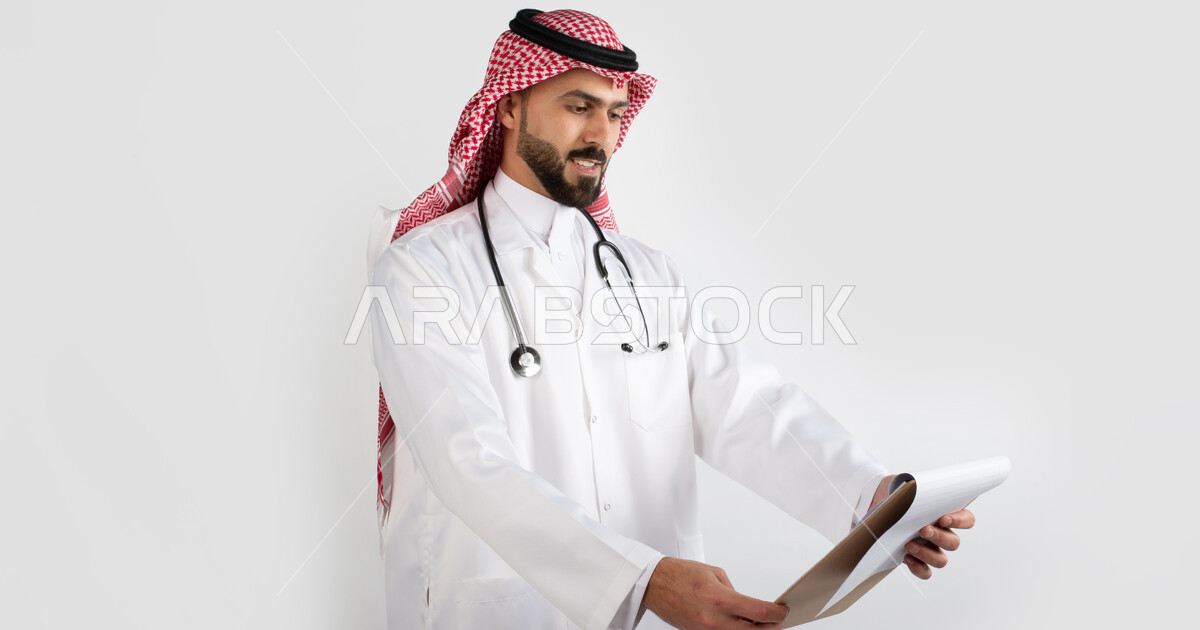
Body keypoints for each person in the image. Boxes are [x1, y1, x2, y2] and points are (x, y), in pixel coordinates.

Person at [366, 9, 975, 630]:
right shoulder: (422, 271)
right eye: (579, 106)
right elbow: (468, 462)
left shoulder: (648, 273)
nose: (601, 135)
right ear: (509, 107)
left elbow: (745, 407)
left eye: (616, 112)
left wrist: (873, 498)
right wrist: (642, 579)